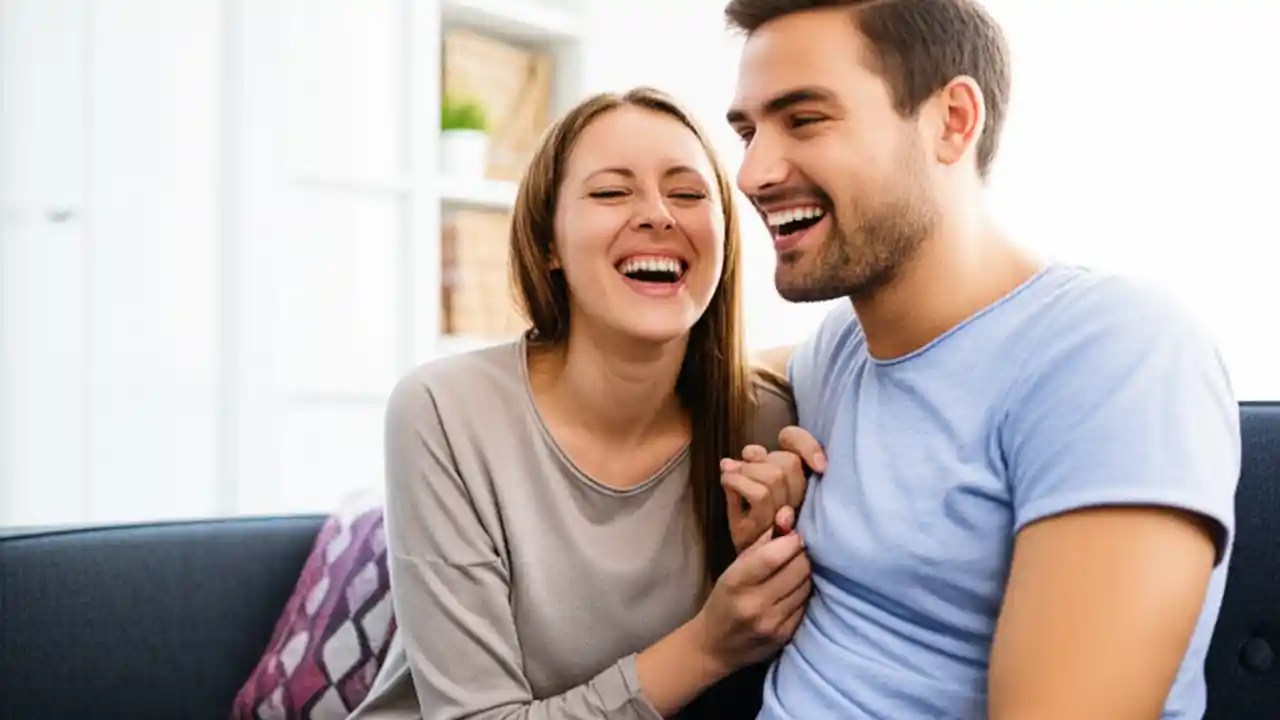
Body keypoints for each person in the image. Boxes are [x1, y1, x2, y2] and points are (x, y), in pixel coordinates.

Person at [717, 1, 1242, 718]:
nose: (751, 173)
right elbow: (738, 367)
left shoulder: (1115, 354)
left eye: (804, 120)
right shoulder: (841, 350)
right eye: (748, 133)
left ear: (953, 121)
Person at [349, 87, 816, 720]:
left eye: (687, 194)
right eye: (611, 192)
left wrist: (773, 549)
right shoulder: (444, 412)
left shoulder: (766, 425)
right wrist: (708, 645)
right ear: (549, 243)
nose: (657, 215)